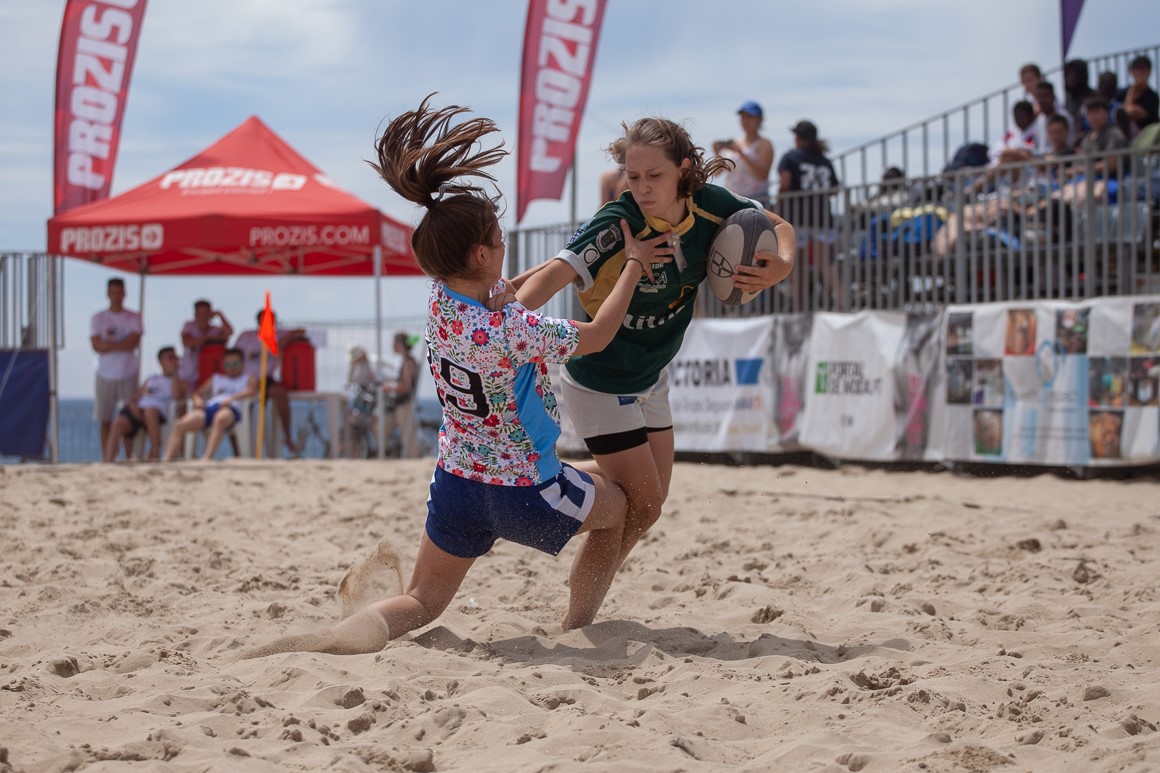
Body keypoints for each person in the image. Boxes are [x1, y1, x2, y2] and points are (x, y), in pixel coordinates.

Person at [242, 95, 650, 657]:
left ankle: (336, 637)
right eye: (500, 242)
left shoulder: (440, 301)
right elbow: (599, 333)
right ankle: (575, 625)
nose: (505, 248)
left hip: (457, 483)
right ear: (481, 255)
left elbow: (507, 292)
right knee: (620, 508)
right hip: (524, 492)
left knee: (422, 602)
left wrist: (555, 265)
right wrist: (634, 263)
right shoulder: (511, 328)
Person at [513, 117, 794, 576]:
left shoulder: (711, 205)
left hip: (651, 376)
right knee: (640, 503)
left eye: (654, 175)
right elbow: (552, 276)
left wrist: (782, 264)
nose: (642, 187)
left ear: (682, 169)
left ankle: (546, 482)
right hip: (601, 379)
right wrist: (507, 326)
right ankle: (542, 523)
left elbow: (778, 224)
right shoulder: (619, 220)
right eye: (633, 176)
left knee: (649, 503)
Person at [778, 119, 838, 306]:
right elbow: (834, 189)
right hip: (822, 217)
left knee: (796, 264)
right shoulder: (824, 160)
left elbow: (785, 184)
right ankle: (842, 302)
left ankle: (801, 305)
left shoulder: (790, 158)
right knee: (826, 264)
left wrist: (778, 206)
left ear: (798, 137)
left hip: (798, 216)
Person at [233, 309, 305, 456]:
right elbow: (234, 357)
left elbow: (301, 331)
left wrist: (281, 342)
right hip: (246, 380)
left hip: (266, 380)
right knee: (238, 410)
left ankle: (288, 437)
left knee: (280, 393)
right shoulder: (247, 336)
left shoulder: (279, 334)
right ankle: (240, 451)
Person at [164, 347, 257, 461]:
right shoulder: (216, 378)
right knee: (179, 424)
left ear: (242, 364)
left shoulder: (248, 378)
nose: (232, 367)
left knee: (220, 418)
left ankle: (207, 457)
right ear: (223, 365)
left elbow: (252, 391)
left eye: (235, 364)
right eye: (228, 364)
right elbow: (196, 393)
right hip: (210, 408)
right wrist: (198, 400)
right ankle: (167, 459)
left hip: (231, 409)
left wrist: (232, 398)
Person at [103, 346, 184, 462]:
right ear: (161, 361)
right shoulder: (152, 379)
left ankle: (154, 452)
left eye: (176, 358)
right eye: (171, 358)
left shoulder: (178, 380)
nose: (174, 361)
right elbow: (135, 397)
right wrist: (133, 406)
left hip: (158, 412)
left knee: (150, 412)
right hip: (140, 410)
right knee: (118, 423)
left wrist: (174, 373)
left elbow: (177, 395)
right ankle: (108, 460)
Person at [90, 277, 143, 453]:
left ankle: (129, 456)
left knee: (130, 418)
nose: (117, 296)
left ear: (124, 294)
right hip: (104, 373)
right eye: (113, 292)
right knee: (105, 419)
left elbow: (133, 343)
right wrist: (121, 344)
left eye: (119, 293)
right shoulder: (98, 318)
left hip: (128, 373)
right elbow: (96, 346)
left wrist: (108, 345)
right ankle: (107, 456)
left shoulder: (133, 317)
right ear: (108, 293)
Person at [712, 101, 774, 206]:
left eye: (750, 117)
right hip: (732, 199)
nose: (745, 121)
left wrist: (742, 154)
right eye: (743, 117)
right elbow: (716, 173)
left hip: (755, 200)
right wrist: (717, 154)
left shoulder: (764, 144)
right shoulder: (735, 142)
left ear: (759, 119)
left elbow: (762, 175)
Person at [178, 299, 233, 395]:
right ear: (195, 314)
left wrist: (220, 314)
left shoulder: (215, 329)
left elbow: (229, 332)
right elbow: (186, 342)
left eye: (206, 313)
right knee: (188, 396)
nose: (203, 317)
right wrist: (208, 338)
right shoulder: (189, 326)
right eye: (200, 314)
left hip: (208, 372)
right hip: (189, 372)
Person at [381, 331, 420, 459]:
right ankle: (389, 453)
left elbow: (406, 386)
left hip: (404, 404)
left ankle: (414, 460)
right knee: (383, 429)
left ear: (400, 344)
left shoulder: (408, 362)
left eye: (395, 343)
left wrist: (388, 387)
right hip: (399, 404)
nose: (392, 346)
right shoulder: (405, 361)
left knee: (408, 437)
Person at [1076, 96, 1129, 178]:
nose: (1093, 117)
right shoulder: (1086, 139)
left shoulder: (1114, 134)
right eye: (1090, 113)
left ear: (1106, 113)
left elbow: (1112, 164)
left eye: (1096, 112)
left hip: (1113, 180)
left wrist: (1083, 169)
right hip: (1087, 179)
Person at [344, 344, 380, 459]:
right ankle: (358, 451)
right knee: (356, 422)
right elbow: (350, 381)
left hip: (373, 398)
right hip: (362, 399)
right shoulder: (358, 366)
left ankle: (379, 448)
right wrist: (352, 367)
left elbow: (377, 380)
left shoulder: (373, 363)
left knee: (371, 422)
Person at [1116, 54, 1160, 138]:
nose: (1139, 73)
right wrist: (1132, 90)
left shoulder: (1152, 97)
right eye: (1136, 69)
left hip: (1147, 136)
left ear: (1149, 71)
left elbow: (1130, 113)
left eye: (1142, 69)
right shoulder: (1121, 93)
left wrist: (1134, 89)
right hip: (1123, 136)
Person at [1031, 81, 1074, 156]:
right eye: (1039, 97)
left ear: (1053, 97)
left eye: (1045, 96)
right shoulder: (1040, 119)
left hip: (1062, 157)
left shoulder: (1065, 117)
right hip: (1043, 159)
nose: (1042, 100)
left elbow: (1070, 143)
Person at [1063, 58, 1094, 131]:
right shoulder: (1069, 98)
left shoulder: (1092, 97)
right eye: (1068, 74)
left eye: (1073, 74)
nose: (1070, 77)